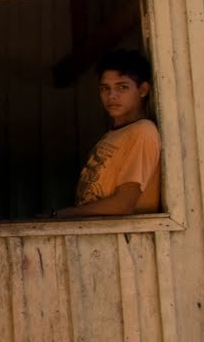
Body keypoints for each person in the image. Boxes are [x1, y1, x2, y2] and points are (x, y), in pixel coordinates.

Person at [56, 49, 161, 218]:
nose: (111, 95)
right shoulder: (114, 134)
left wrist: (62, 215)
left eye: (122, 87)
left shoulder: (142, 132)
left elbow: (123, 205)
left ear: (143, 90)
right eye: (105, 88)